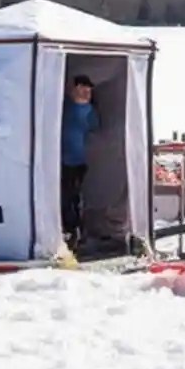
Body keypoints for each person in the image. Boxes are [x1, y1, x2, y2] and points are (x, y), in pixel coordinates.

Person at [61, 74, 100, 249]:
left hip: (79, 161)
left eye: (89, 90)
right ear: (75, 89)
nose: (87, 93)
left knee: (74, 197)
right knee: (64, 197)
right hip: (60, 159)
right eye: (83, 89)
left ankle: (74, 232)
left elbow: (95, 128)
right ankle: (68, 231)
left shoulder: (90, 111)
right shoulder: (65, 106)